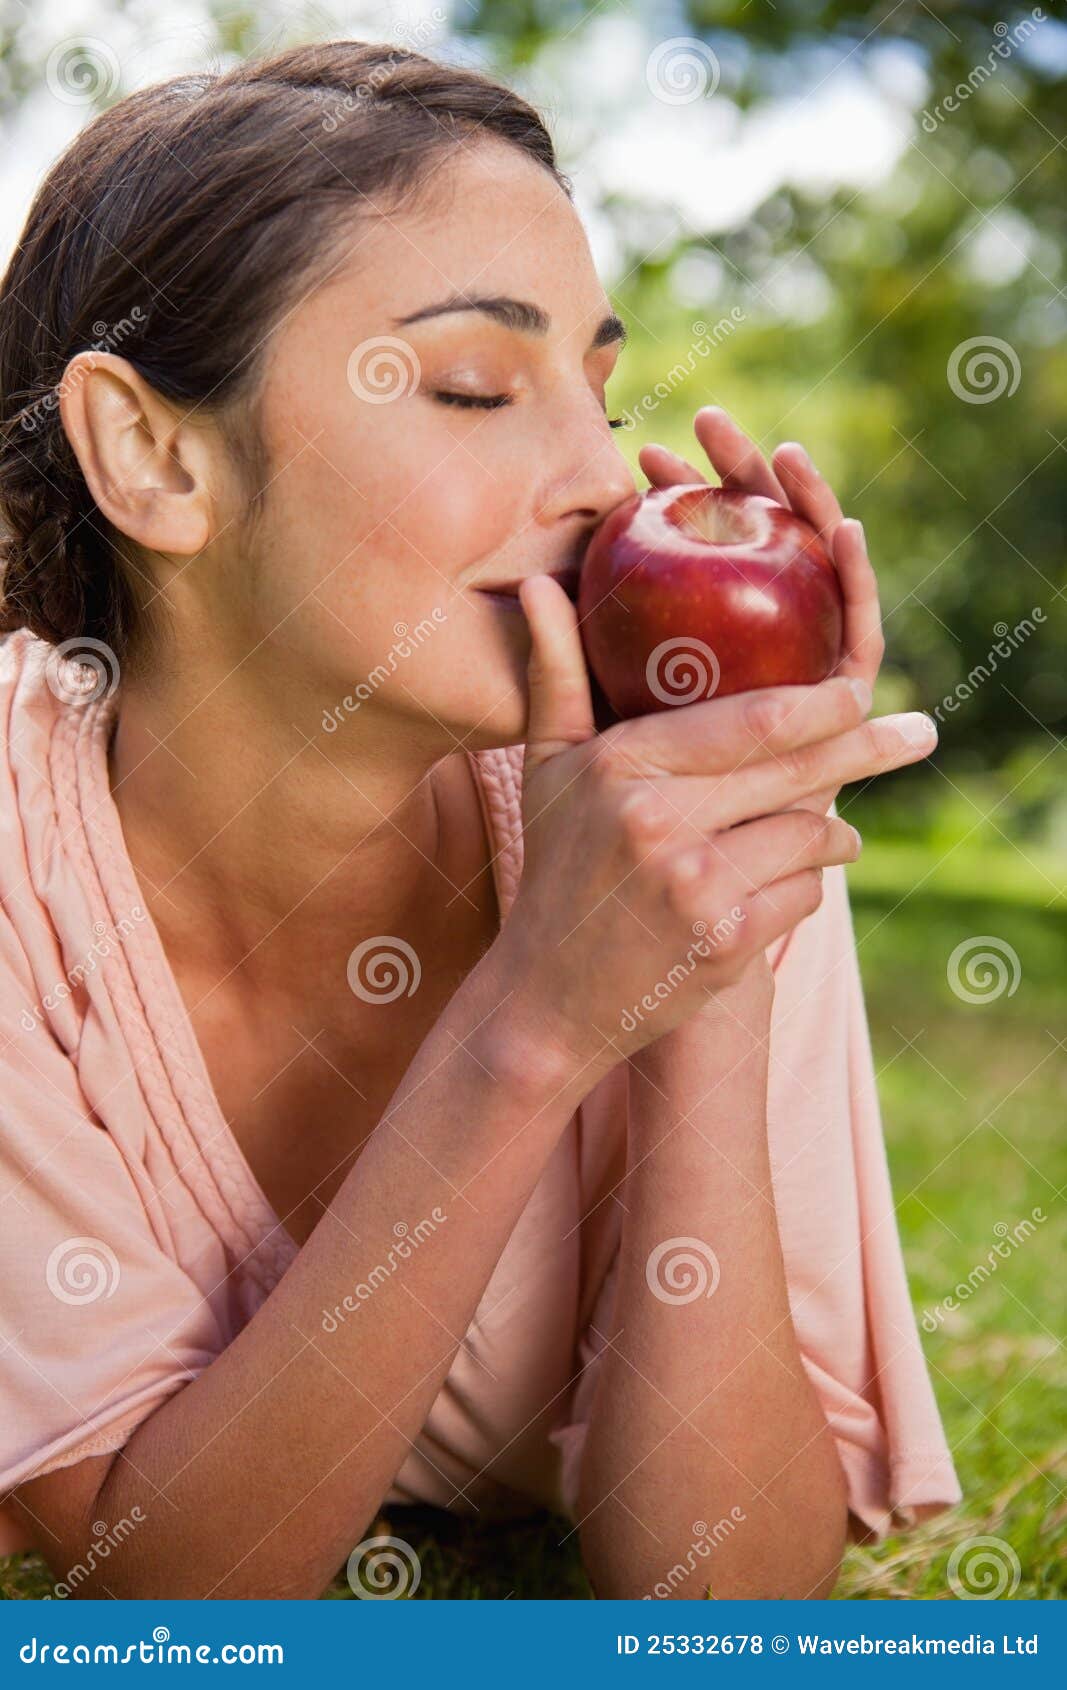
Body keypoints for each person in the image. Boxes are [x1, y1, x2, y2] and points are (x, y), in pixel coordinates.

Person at [0, 41, 959, 1600]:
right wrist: (531, 1023)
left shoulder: (668, 797)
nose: (600, 476)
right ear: (157, 454)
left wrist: (694, 972)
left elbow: (723, 1606)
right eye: (470, 387)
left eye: (598, 382)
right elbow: (165, 1598)